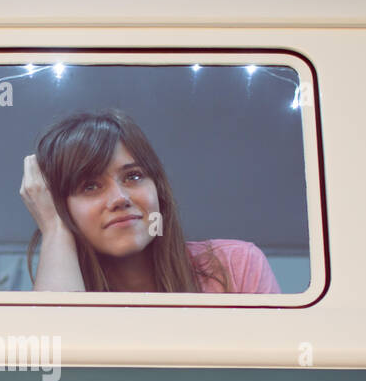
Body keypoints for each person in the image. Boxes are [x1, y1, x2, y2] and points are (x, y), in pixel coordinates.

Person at [20, 108, 280, 294]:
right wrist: (55, 228)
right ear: (61, 207)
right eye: (90, 186)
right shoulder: (60, 283)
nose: (120, 199)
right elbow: (61, 360)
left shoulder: (236, 267)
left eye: (133, 176)